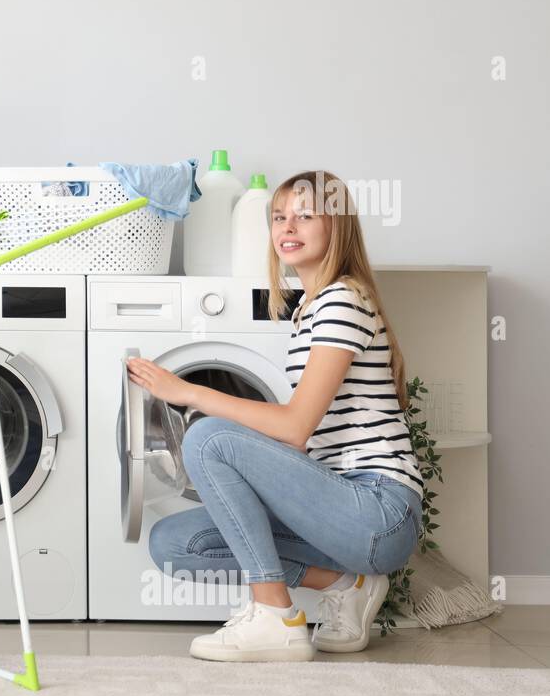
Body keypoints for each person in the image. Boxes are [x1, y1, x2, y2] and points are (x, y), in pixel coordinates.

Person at [132, 171, 423, 662]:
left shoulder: (342, 299)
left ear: (338, 227)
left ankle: (274, 618)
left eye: (305, 216)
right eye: (278, 216)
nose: (288, 226)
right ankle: (346, 584)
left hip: (378, 512)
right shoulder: (306, 307)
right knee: (172, 542)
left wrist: (187, 392)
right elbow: (299, 444)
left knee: (206, 437)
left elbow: (294, 426)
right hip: (334, 516)